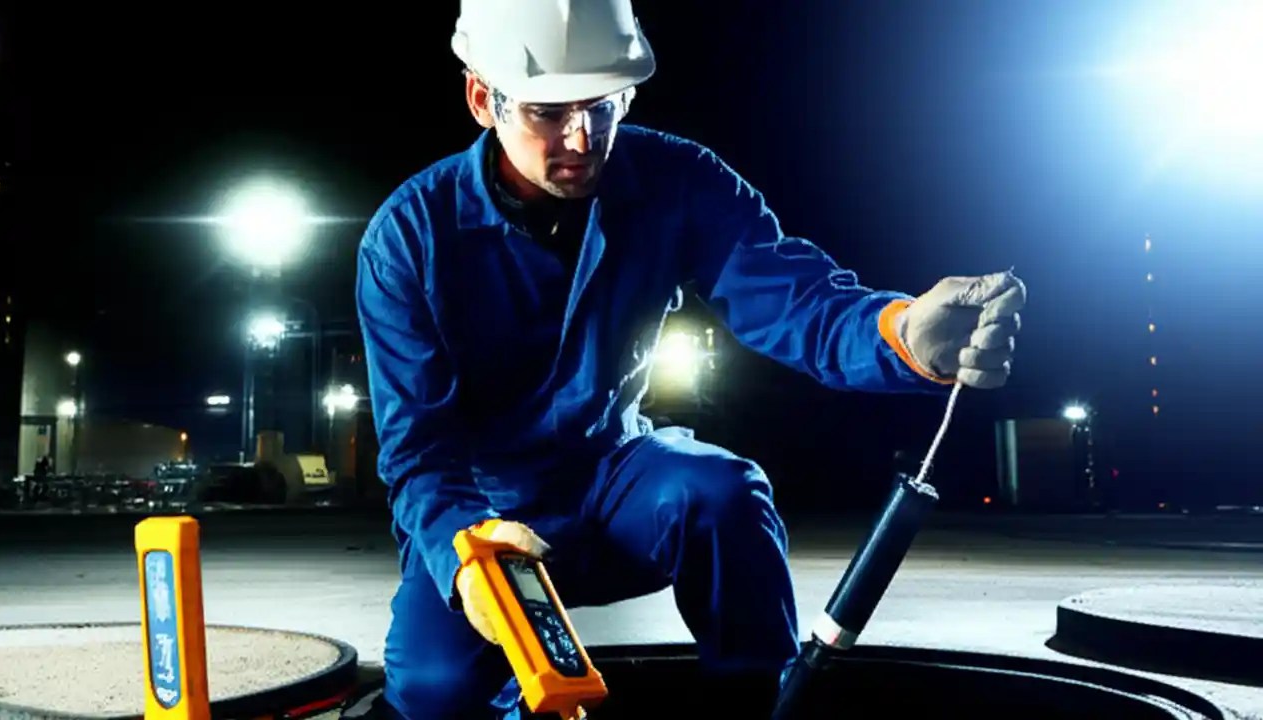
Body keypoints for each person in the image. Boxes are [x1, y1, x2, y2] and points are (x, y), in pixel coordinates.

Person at [354, 1, 1027, 717]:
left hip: (615, 482)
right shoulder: (408, 239)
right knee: (434, 691)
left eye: (602, 106)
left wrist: (900, 333)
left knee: (721, 493)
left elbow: (797, 300)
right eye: (549, 112)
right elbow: (417, 450)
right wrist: (464, 556)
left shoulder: (677, 182)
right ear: (482, 98)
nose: (582, 138)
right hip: (482, 516)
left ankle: (754, 702)